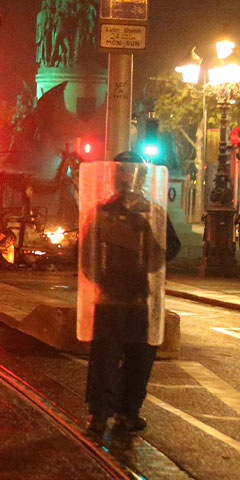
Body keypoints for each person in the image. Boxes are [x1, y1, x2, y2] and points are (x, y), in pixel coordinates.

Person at [81, 151, 179, 437]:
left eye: (127, 173)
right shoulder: (143, 212)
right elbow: (170, 248)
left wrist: (101, 280)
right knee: (120, 356)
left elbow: (86, 255)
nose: (123, 178)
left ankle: (111, 413)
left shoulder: (137, 212)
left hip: (124, 296)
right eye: (119, 173)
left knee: (126, 356)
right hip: (127, 296)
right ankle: (115, 413)